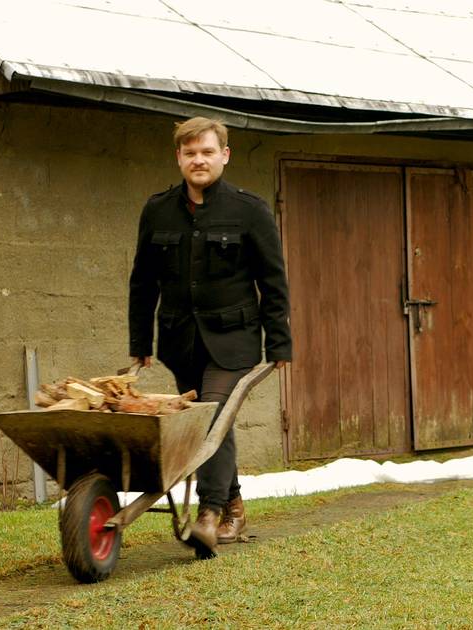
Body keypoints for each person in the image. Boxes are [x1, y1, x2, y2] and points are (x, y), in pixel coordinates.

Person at [128, 117, 292, 552]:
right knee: (211, 423)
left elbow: (273, 281)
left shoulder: (249, 210)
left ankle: (210, 513)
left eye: (207, 151)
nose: (198, 160)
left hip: (234, 339)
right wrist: (140, 342)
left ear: (225, 155)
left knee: (212, 415)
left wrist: (279, 342)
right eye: (190, 153)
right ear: (178, 157)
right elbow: (142, 282)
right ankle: (234, 505)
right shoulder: (158, 210)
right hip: (180, 341)